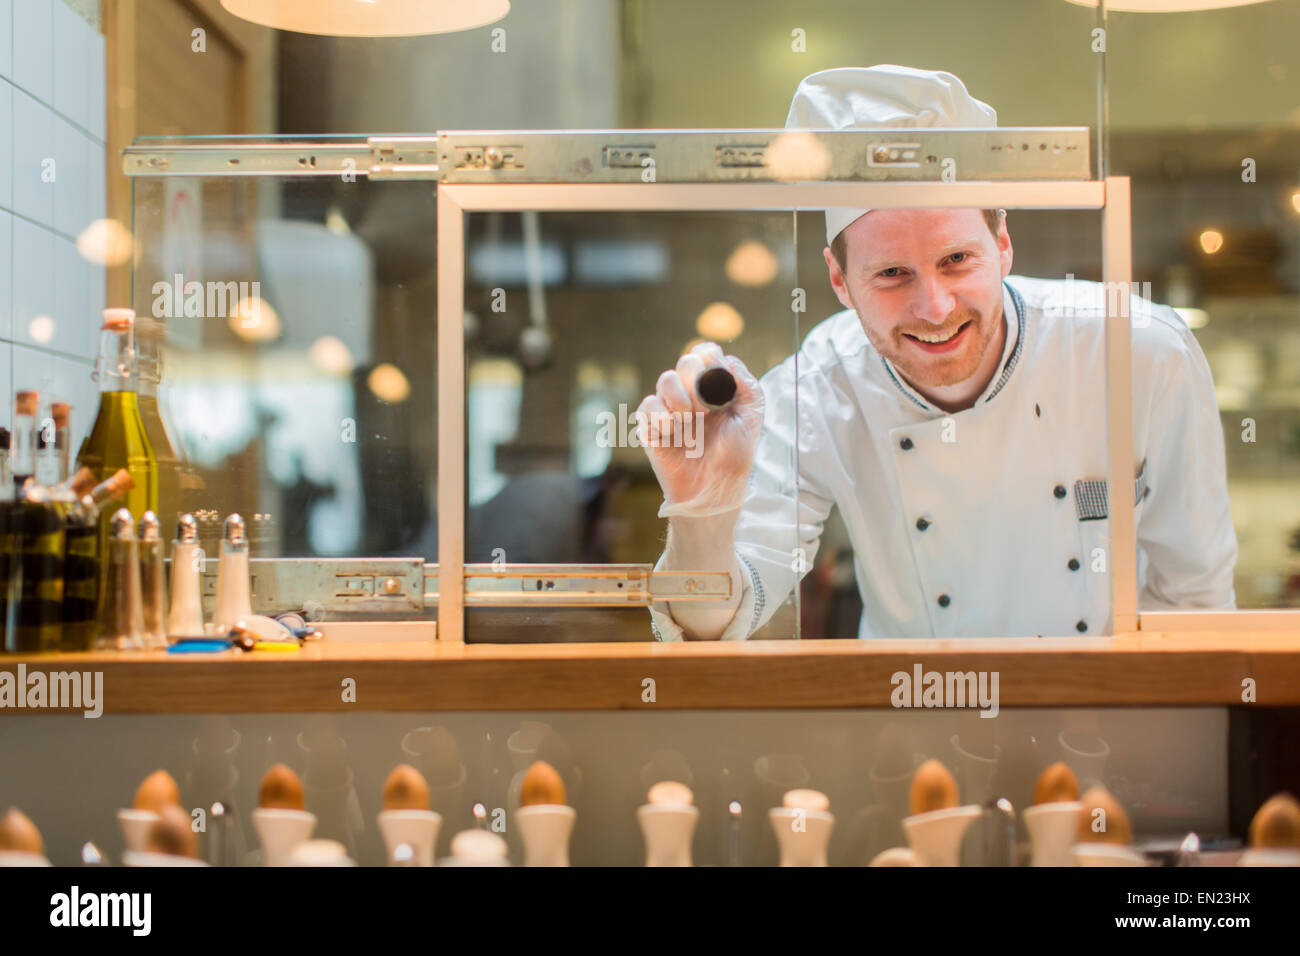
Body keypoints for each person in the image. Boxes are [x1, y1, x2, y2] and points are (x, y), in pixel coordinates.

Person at [637, 65, 1237, 641]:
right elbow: (718, 620)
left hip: (1110, 722)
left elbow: (1197, 599)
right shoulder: (817, 388)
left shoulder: (1139, 350)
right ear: (840, 281)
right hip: (917, 725)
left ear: (1001, 242)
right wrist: (702, 516)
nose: (935, 306)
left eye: (956, 259)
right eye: (893, 273)